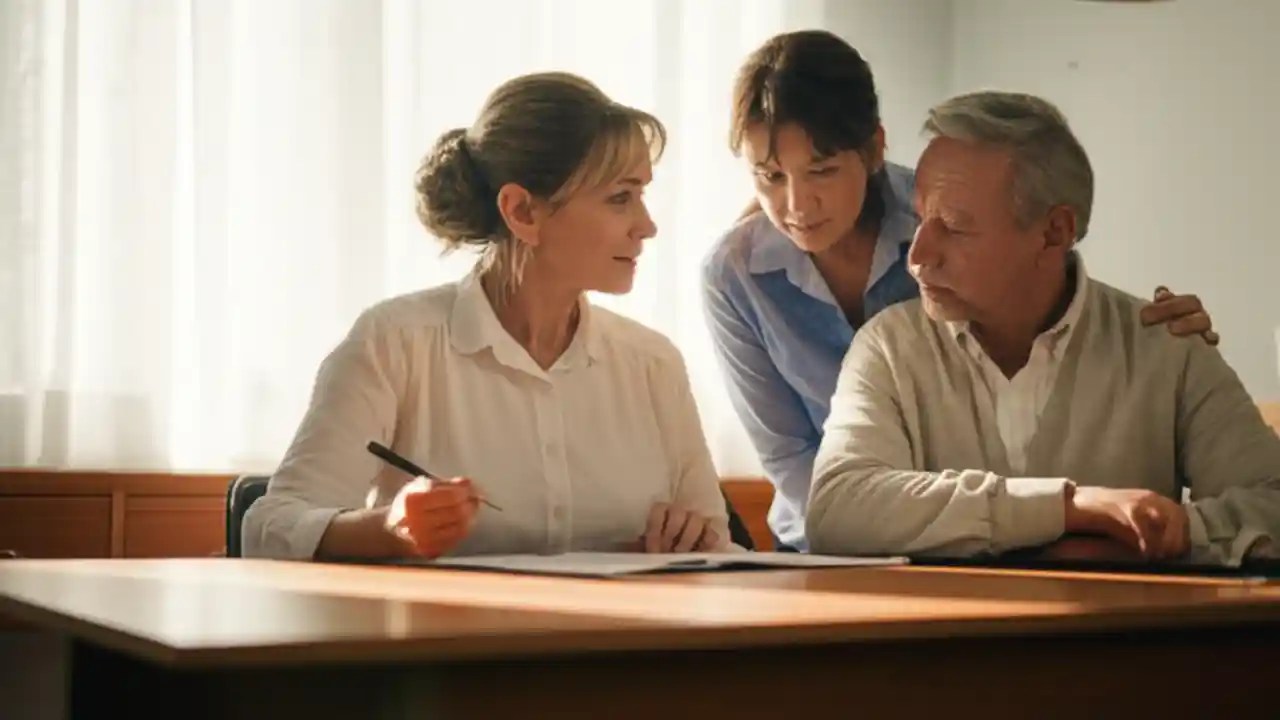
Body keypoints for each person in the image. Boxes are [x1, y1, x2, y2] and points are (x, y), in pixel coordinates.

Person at [702, 30, 1219, 552]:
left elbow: (1045, 295)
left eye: (823, 171)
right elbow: (792, 458)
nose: (797, 205)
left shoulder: (947, 205)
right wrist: (878, 520)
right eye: (768, 176)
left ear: (876, 148)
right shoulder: (734, 275)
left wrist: (1157, 339)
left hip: (996, 533)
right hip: (836, 539)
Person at [244, 72, 734, 560]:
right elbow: (268, 527)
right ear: (522, 211)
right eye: (620, 198)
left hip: (626, 637)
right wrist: (388, 527)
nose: (647, 227)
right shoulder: (394, 342)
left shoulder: (653, 363)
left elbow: (717, 546)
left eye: (642, 195)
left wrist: (688, 541)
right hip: (450, 638)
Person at [808, 91, 1280, 566]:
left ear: (1055, 231)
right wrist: (1071, 510)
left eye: (952, 226)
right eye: (919, 219)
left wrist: (1167, 532)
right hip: (944, 638)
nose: (917, 256)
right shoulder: (887, 347)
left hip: (1121, 640)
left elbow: (1272, 500)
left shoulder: (1166, 346)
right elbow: (838, 509)